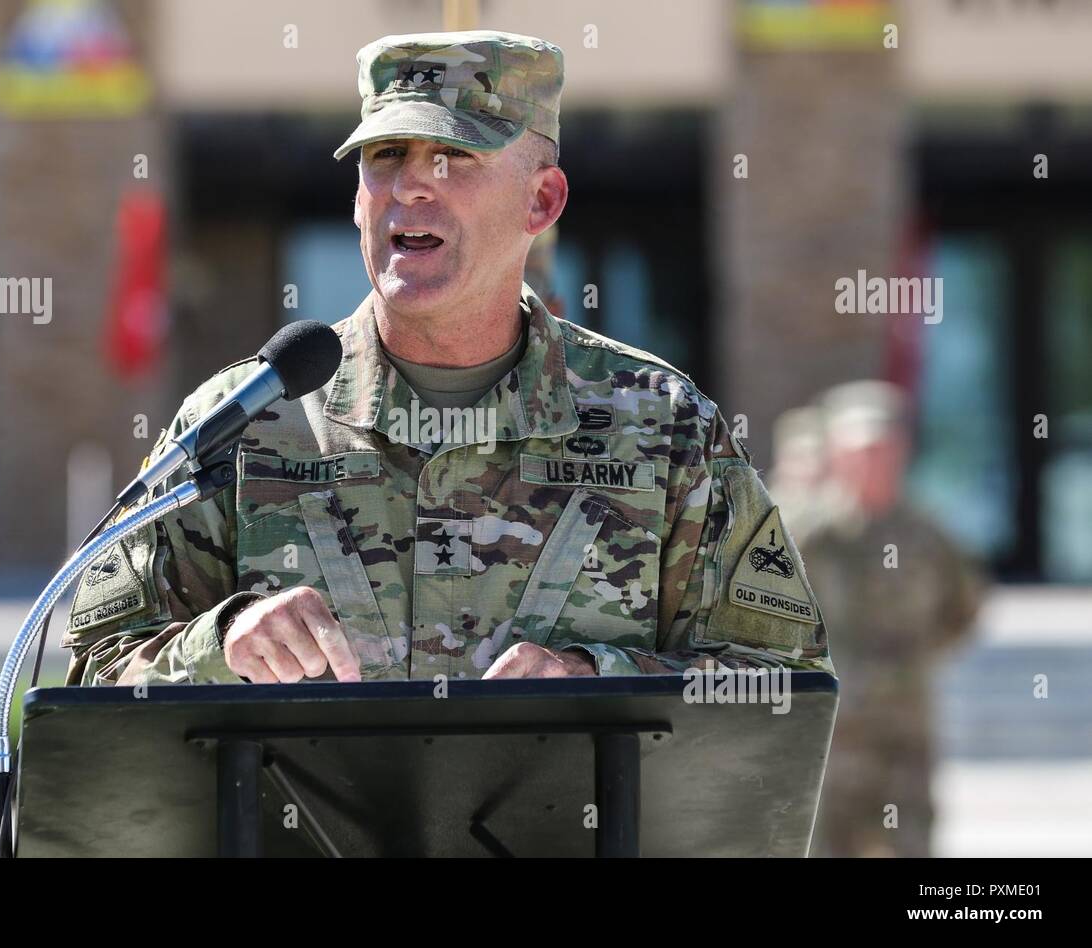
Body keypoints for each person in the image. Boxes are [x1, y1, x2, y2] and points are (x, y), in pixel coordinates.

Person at [62, 30, 833, 690]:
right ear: (358, 198)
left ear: (543, 202)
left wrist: (597, 684)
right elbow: (90, 673)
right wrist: (220, 645)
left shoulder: (661, 427)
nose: (410, 186)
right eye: (386, 154)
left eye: (455, 156)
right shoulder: (246, 420)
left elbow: (781, 684)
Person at [801, 380, 986, 857]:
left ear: (902, 454)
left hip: (904, 730)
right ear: (837, 456)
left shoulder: (929, 535)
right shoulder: (805, 536)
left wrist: (913, 666)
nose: (873, 463)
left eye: (883, 450)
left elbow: (964, 608)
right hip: (829, 734)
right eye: (860, 451)